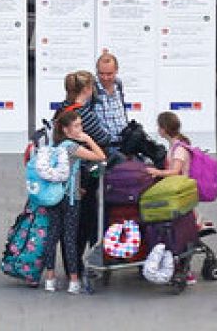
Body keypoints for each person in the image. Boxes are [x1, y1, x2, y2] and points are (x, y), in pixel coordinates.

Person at [39, 107, 106, 294]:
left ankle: (50, 278)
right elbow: (100, 156)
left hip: (52, 196)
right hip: (71, 199)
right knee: (69, 238)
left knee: (52, 236)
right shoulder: (72, 147)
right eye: (76, 126)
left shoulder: (53, 146)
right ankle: (74, 280)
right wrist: (88, 139)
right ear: (66, 129)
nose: (80, 129)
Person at [82, 51, 127, 151]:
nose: (105, 78)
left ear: (116, 71)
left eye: (109, 74)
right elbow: (83, 118)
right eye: (101, 73)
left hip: (123, 144)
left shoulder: (118, 84)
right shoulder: (91, 88)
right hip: (103, 147)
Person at [146, 111, 192, 179]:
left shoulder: (179, 149)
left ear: (164, 129)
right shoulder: (175, 145)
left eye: (159, 126)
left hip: (180, 184)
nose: (158, 129)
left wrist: (157, 172)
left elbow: (175, 172)